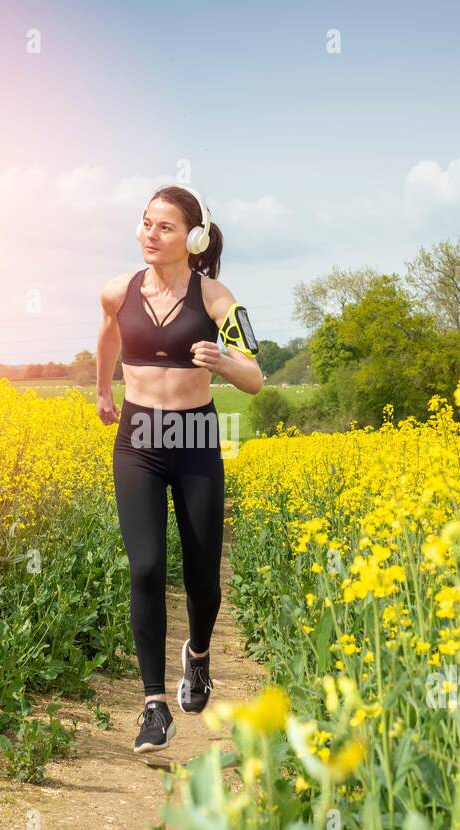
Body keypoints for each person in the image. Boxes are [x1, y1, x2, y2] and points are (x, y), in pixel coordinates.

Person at [95, 185, 263, 754]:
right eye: (145, 223)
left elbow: (255, 377)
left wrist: (224, 360)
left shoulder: (216, 297)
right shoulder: (118, 291)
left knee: (202, 578)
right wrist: (102, 391)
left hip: (194, 438)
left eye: (164, 227)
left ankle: (198, 656)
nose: (149, 234)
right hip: (139, 438)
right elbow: (108, 337)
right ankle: (153, 707)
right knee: (145, 567)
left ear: (192, 238)